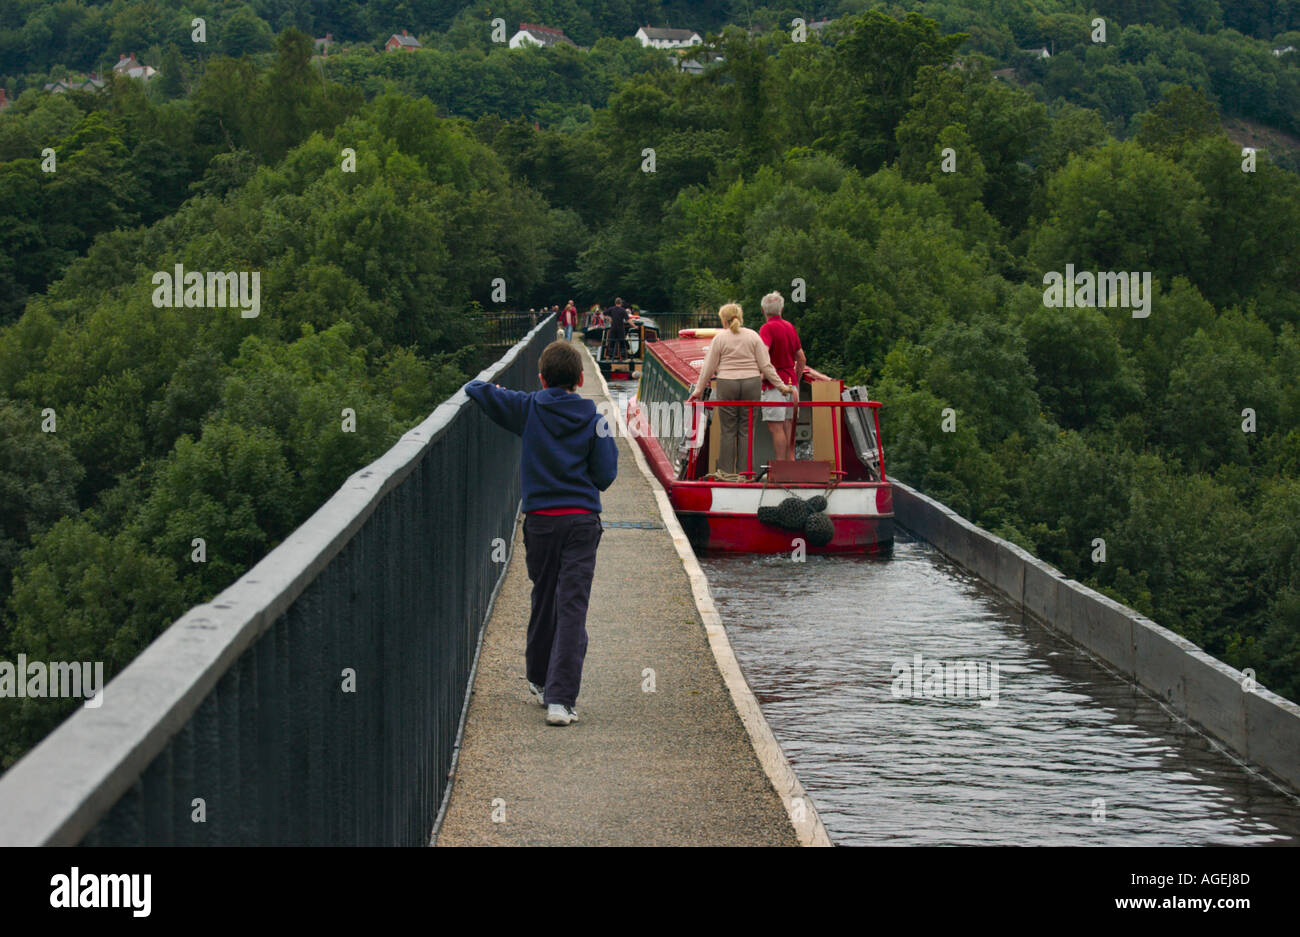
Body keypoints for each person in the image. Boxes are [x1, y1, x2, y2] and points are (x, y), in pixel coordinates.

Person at [464, 342, 618, 726]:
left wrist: (499, 390)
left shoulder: (528, 407)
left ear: (541, 378)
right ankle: (560, 700)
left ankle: (537, 677)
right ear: (582, 380)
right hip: (581, 523)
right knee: (572, 607)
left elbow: (476, 389)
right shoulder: (596, 418)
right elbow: (606, 475)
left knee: (544, 596)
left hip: (541, 523)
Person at [687, 303, 792, 477]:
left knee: (728, 430)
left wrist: (698, 390)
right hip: (751, 383)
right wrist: (781, 386)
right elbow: (765, 365)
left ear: (723, 320)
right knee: (747, 429)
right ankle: (745, 474)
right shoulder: (753, 336)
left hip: (727, 383)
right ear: (740, 318)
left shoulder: (720, 339)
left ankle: (727, 473)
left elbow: (708, 367)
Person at [758, 291, 807, 462]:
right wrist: (796, 381)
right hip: (791, 386)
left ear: (763, 310)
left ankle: (780, 466)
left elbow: (763, 354)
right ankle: (791, 464)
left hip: (774, 387)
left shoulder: (767, 328)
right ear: (782, 309)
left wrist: (762, 374)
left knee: (776, 428)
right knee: (789, 426)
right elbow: (801, 358)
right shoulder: (790, 327)